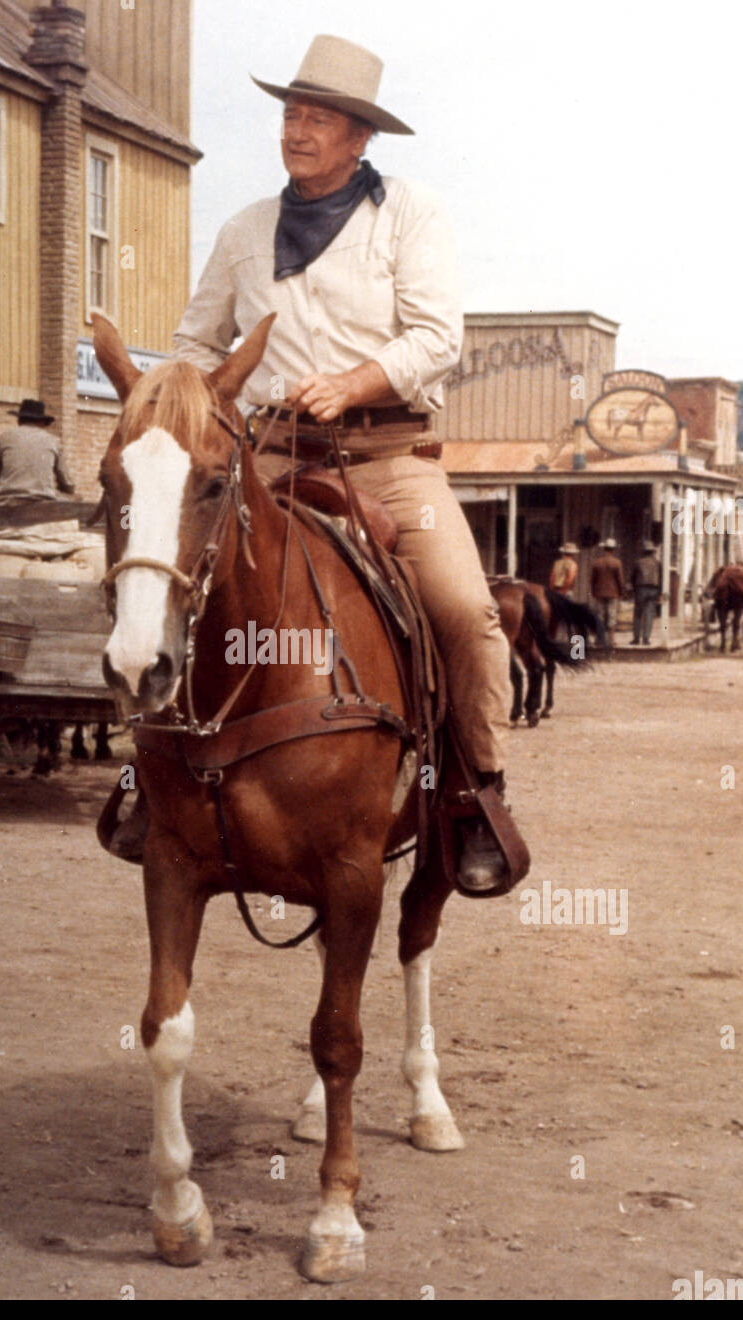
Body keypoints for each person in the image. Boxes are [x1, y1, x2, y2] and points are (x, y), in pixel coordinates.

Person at [168, 34, 514, 892]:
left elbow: (438, 337)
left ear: (360, 138)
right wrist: (179, 402)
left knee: (466, 613)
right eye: (291, 112)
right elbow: (193, 342)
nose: (298, 129)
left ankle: (475, 793)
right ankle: (153, 780)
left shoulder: (410, 214)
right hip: (274, 460)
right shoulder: (244, 228)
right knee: (178, 581)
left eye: (319, 117)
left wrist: (356, 382)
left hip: (390, 457)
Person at [0, 399, 74, 503]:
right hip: (44, 497)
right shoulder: (53, 441)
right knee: (77, 498)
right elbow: (68, 484)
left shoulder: (5, 438)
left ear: (19, 420)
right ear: (42, 422)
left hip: (5, 497)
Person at [589, 538, 625, 647]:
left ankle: (598, 639)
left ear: (604, 548)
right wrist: (622, 592)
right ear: (613, 549)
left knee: (600, 616)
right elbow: (620, 579)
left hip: (599, 592)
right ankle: (611, 640)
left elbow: (592, 580)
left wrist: (593, 591)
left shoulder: (597, 562)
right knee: (612, 616)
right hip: (613, 593)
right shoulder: (616, 562)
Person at [631, 540, 661, 646]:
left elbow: (633, 578)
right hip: (653, 589)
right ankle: (646, 638)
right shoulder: (657, 563)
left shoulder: (638, 562)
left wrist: (634, 590)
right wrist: (659, 592)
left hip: (641, 588)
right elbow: (661, 578)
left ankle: (636, 638)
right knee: (649, 614)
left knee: (638, 614)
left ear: (643, 551)